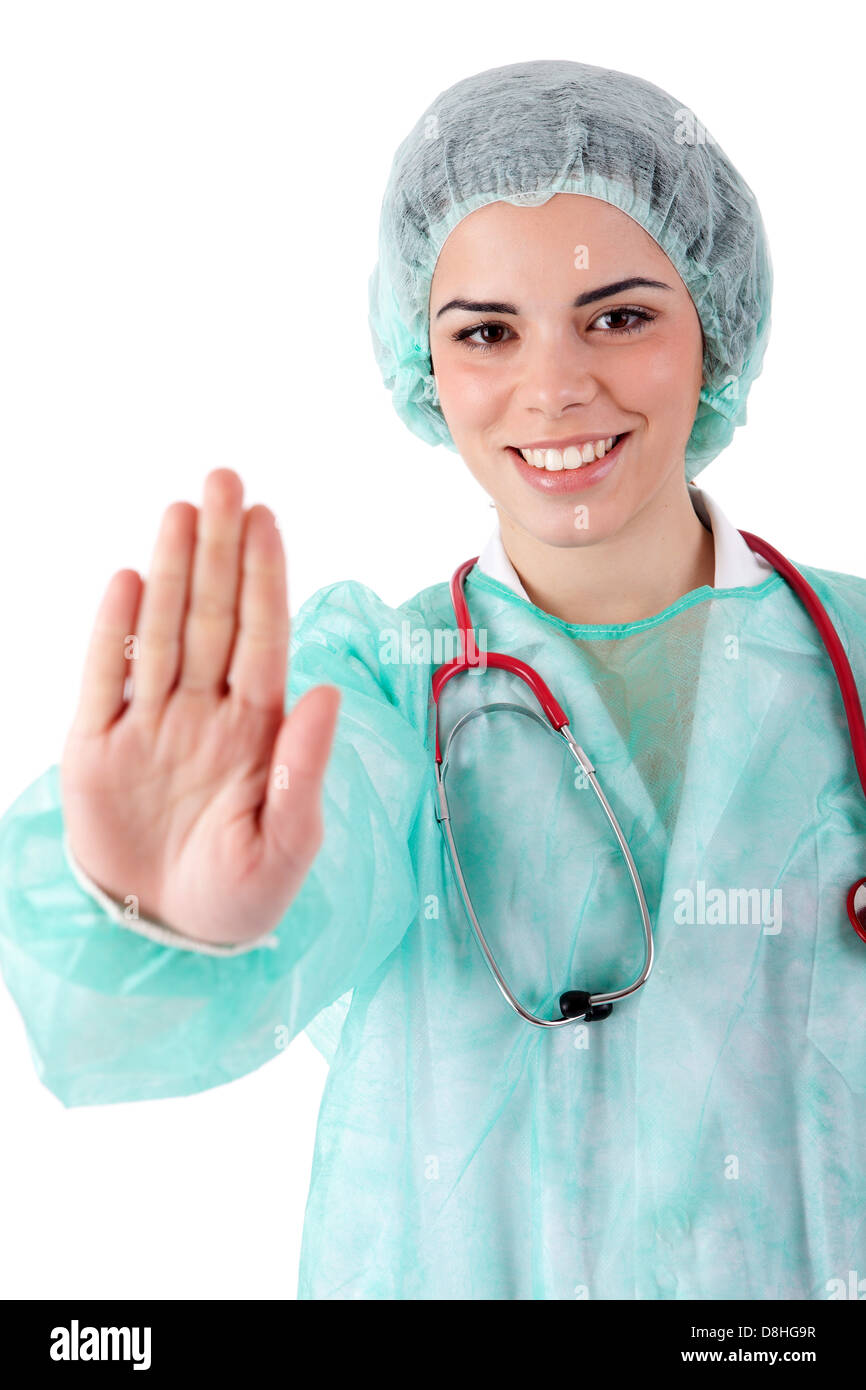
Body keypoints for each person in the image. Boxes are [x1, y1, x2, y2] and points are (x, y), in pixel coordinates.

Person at [2, 57, 866, 1301]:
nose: (554, 385)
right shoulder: (382, 689)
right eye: (485, 333)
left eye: (618, 316)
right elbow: (277, 872)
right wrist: (160, 913)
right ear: (423, 361)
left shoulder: (849, 660)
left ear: (714, 326)